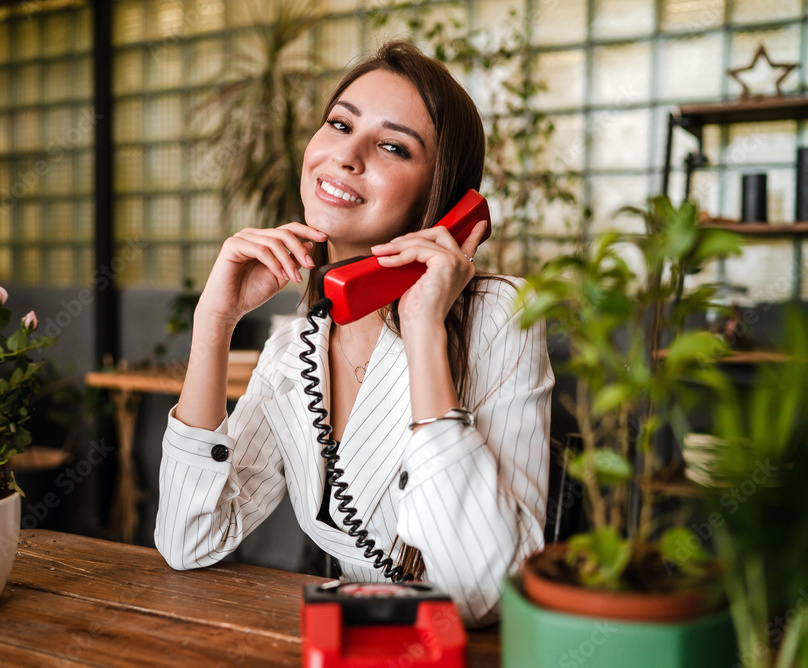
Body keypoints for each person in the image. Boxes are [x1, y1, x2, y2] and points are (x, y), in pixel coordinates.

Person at [154, 41, 553, 627]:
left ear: (441, 199)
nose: (346, 154)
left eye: (393, 146)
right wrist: (213, 325)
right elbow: (189, 542)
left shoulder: (498, 314)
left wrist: (423, 331)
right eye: (340, 124)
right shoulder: (296, 350)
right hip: (355, 641)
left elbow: (483, 593)